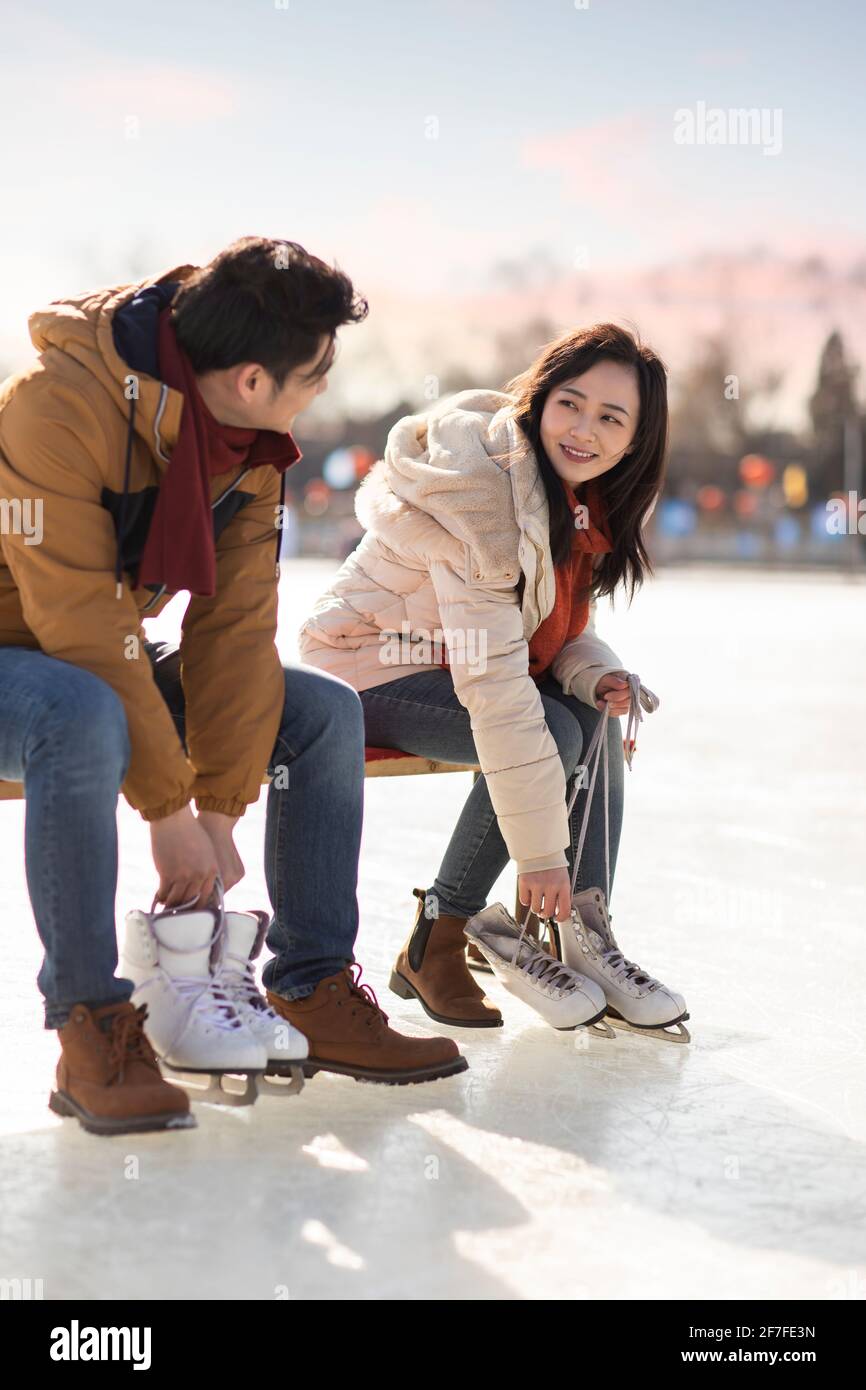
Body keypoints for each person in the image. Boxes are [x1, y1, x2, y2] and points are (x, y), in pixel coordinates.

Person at [0, 237, 466, 1137]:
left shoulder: (248, 449)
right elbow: (80, 623)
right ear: (254, 378)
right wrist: (170, 813)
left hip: (94, 662)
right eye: (317, 370)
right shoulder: (55, 409)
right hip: (31, 663)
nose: (324, 386)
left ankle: (311, 985)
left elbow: (236, 630)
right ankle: (90, 1025)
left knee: (321, 709)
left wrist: (217, 807)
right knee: (81, 709)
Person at [298, 322, 685, 1033]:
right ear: (539, 400)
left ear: (635, 440)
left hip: (456, 659)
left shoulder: (573, 501)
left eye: (610, 418)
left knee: (589, 716)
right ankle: (439, 940)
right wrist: (540, 857)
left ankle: (586, 936)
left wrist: (595, 674)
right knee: (549, 729)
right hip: (371, 664)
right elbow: (498, 689)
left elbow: (550, 630)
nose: (583, 429)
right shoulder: (483, 497)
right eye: (570, 403)